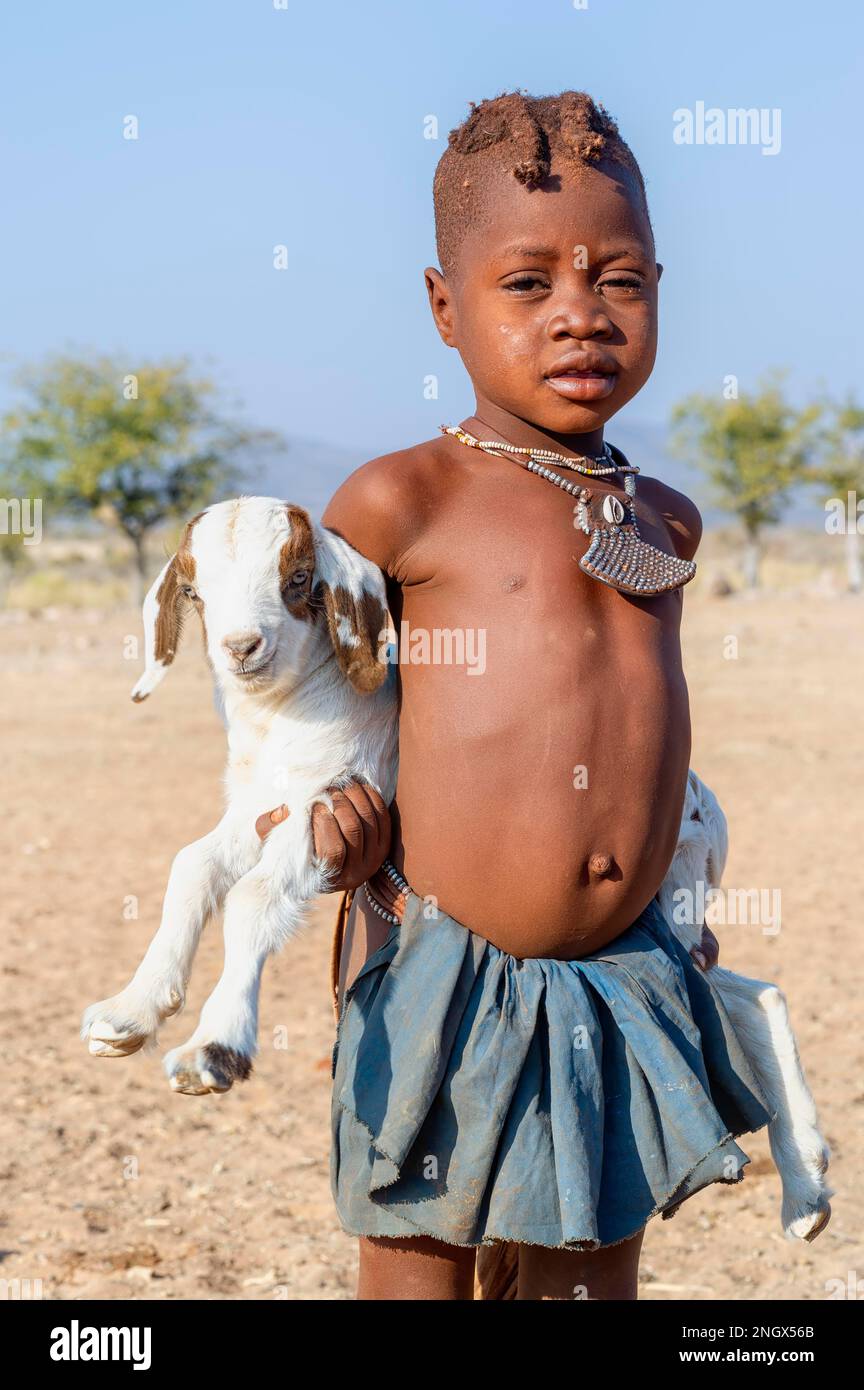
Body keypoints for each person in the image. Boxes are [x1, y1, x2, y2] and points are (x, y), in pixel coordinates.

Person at [259, 91, 772, 1301]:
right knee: (420, 1270)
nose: (581, 316)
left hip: (629, 966)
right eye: (527, 283)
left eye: (622, 282)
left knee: (589, 1273)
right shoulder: (403, 501)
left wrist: (680, 882)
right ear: (447, 307)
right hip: (444, 959)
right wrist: (315, 813)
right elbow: (304, 709)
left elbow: (645, 726)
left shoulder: (666, 521)